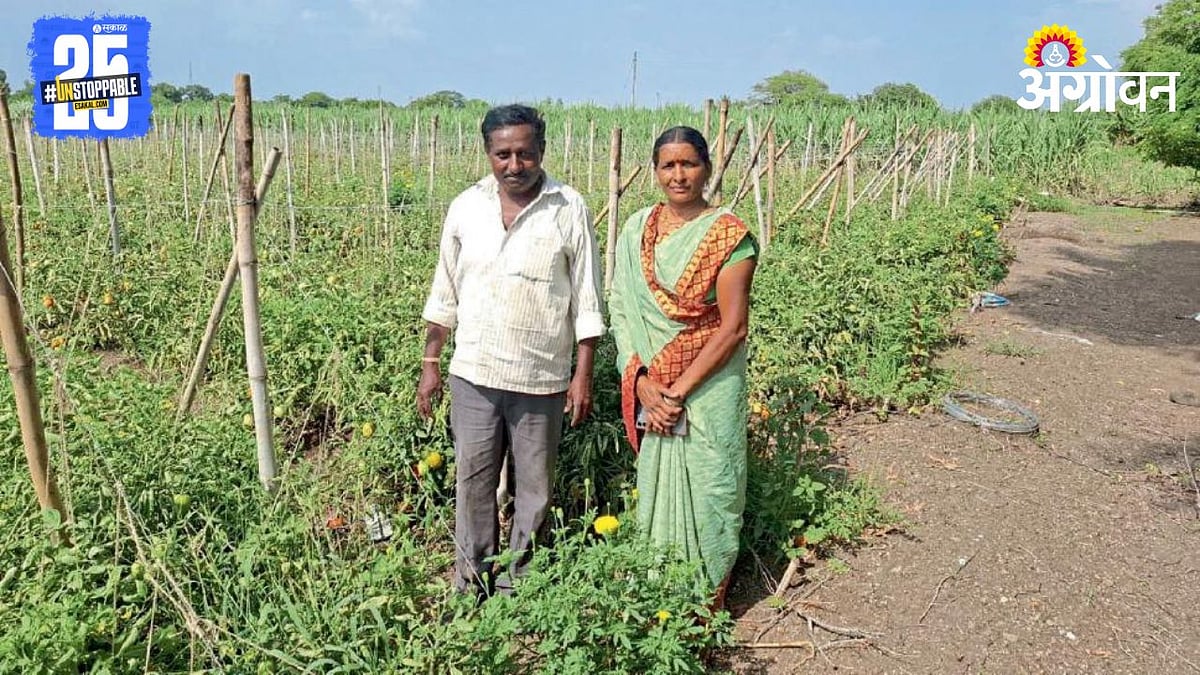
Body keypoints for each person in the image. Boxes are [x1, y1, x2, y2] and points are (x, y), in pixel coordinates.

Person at [417, 104, 605, 597]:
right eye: (503, 154)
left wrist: (582, 373)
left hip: (541, 379)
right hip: (474, 373)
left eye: (525, 153)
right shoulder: (465, 207)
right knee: (473, 484)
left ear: (542, 151)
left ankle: (518, 586)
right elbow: (444, 293)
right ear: (488, 154)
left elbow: (587, 298)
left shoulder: (569, 207)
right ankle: (471, 582)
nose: (515, 165)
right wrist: (431, 363)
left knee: (535, 491)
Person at [609, 125, 757, 608]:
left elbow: (732, 327)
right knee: (657, 484)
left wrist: (676, 392)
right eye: (668, 165)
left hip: (709, 388)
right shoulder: (636, 230)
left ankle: (704, 607)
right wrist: (644, 381)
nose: (679, 175)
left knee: (712, 486)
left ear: (707, 169)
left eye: (689, 164)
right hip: (654, 384)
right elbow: (623, 305)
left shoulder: (729, 235)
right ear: (655, 171)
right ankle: (658, 600)